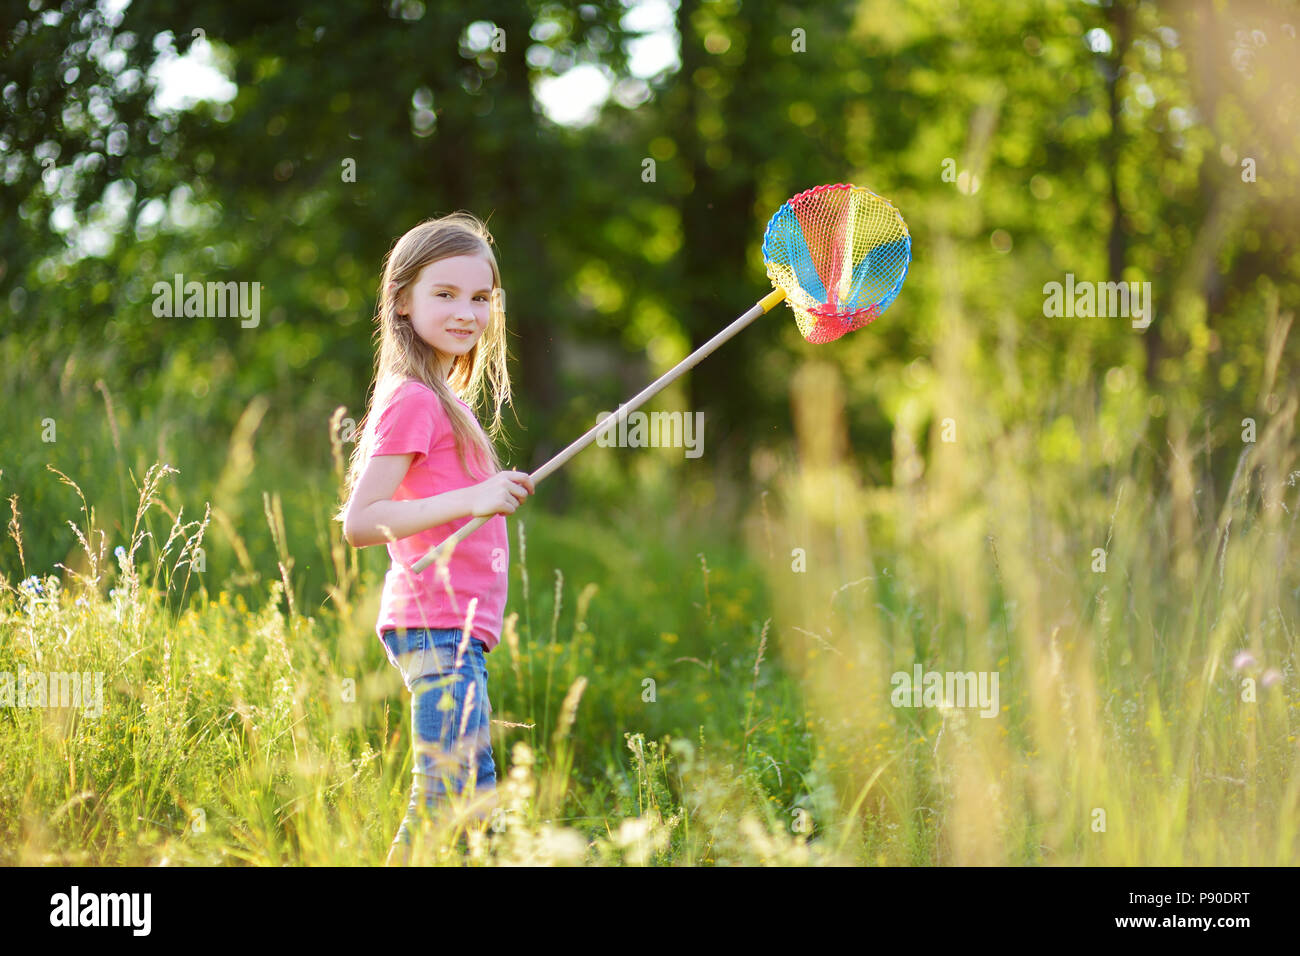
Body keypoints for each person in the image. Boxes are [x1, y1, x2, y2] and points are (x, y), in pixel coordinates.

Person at [336, 212, 534, 865]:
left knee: (471, 807)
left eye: (480, 297)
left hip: (456, 627)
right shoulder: (414, 398)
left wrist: (491, 489)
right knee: (446, 799)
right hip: (435, 624)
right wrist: (474, 497)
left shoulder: (446, 398)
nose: (466, 312)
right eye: (444, 294)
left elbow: (440, 500)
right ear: (401, 300)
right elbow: (361, 522)